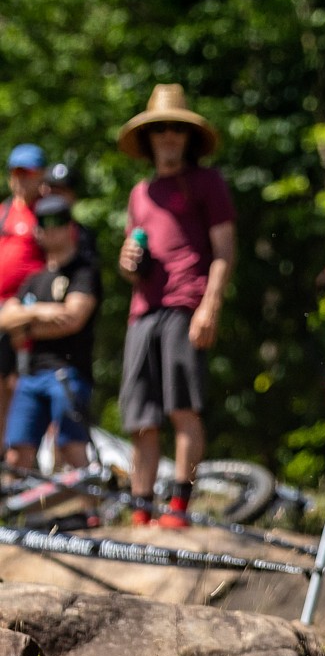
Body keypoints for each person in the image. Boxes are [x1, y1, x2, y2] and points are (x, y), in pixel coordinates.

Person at [115, 84, 236, 528]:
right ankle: (141, 508)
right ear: (148, 138)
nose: (167, 136)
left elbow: (225, 250)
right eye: (159, 129)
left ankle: (178, 507)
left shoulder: (207, 182)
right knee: (140, 418)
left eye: (175, 129)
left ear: (187, 137)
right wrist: (127, 262)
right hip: (141, 313)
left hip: (186, 306)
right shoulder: (139, 193)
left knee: (183, 408)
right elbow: (131, 263)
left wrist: (210, 307)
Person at [0, 195, 100, 472]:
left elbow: (72, 319)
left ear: (70, 227)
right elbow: (6, 321)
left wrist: (27, 319)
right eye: (44, 222)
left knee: (71, 447)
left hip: (68, 372)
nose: (51, 228)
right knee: (17, 453)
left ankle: (85, 512)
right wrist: (44, 313)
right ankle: (26, 514)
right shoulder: (33, 280)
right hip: (30, 377)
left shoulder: (84, 272)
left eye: (58, 221)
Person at [0, 144, 48, 446]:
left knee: (22, 382)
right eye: (17, 172)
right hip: (2, 312)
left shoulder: (48, 214)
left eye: (28, 172)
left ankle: (27, 453)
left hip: (30, 311)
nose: (22, 178)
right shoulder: (4, 212)